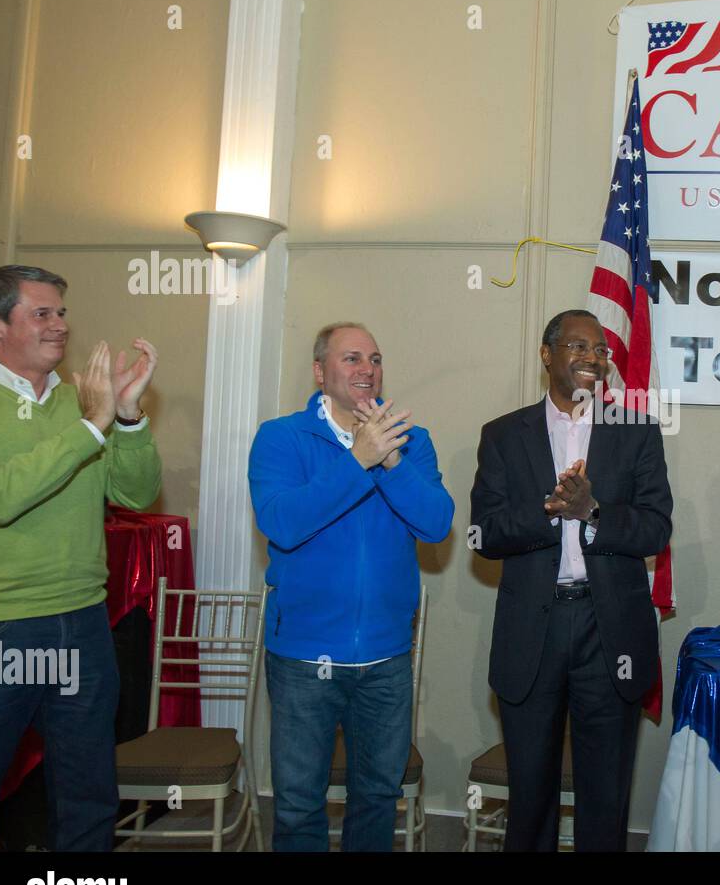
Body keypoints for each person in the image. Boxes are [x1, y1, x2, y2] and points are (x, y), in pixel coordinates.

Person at [470, 309, 672, 851]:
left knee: (604, 795)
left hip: (609, 633)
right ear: (547, 354)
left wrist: (594, 513)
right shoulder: (504, 435)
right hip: (533, 629)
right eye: (578, 346)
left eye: (600, 350)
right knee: (530, 792)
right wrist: (552, 510)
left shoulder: (635, 433)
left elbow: (656, 528)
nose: (592, 358)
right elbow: (482, 535)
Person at [0, 264, 161, 851]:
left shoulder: (83, 402)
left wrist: (126, 418)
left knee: (88, 797)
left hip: (83, 621)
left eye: (61, 313)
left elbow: (134, 493)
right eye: (42, 314)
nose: (60, 326)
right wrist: (91, 425)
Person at [248, 322, 452, 851]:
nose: (368, 370)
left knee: (378, 798)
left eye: (376, 359)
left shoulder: (412, 441)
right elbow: (284, 523)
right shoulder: (281, 437)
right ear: (320, 373)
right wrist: (357, 459)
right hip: (301, 660)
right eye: (353, 359)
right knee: (296, 805)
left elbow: (435, 524)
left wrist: (389, 459)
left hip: (385, 659)